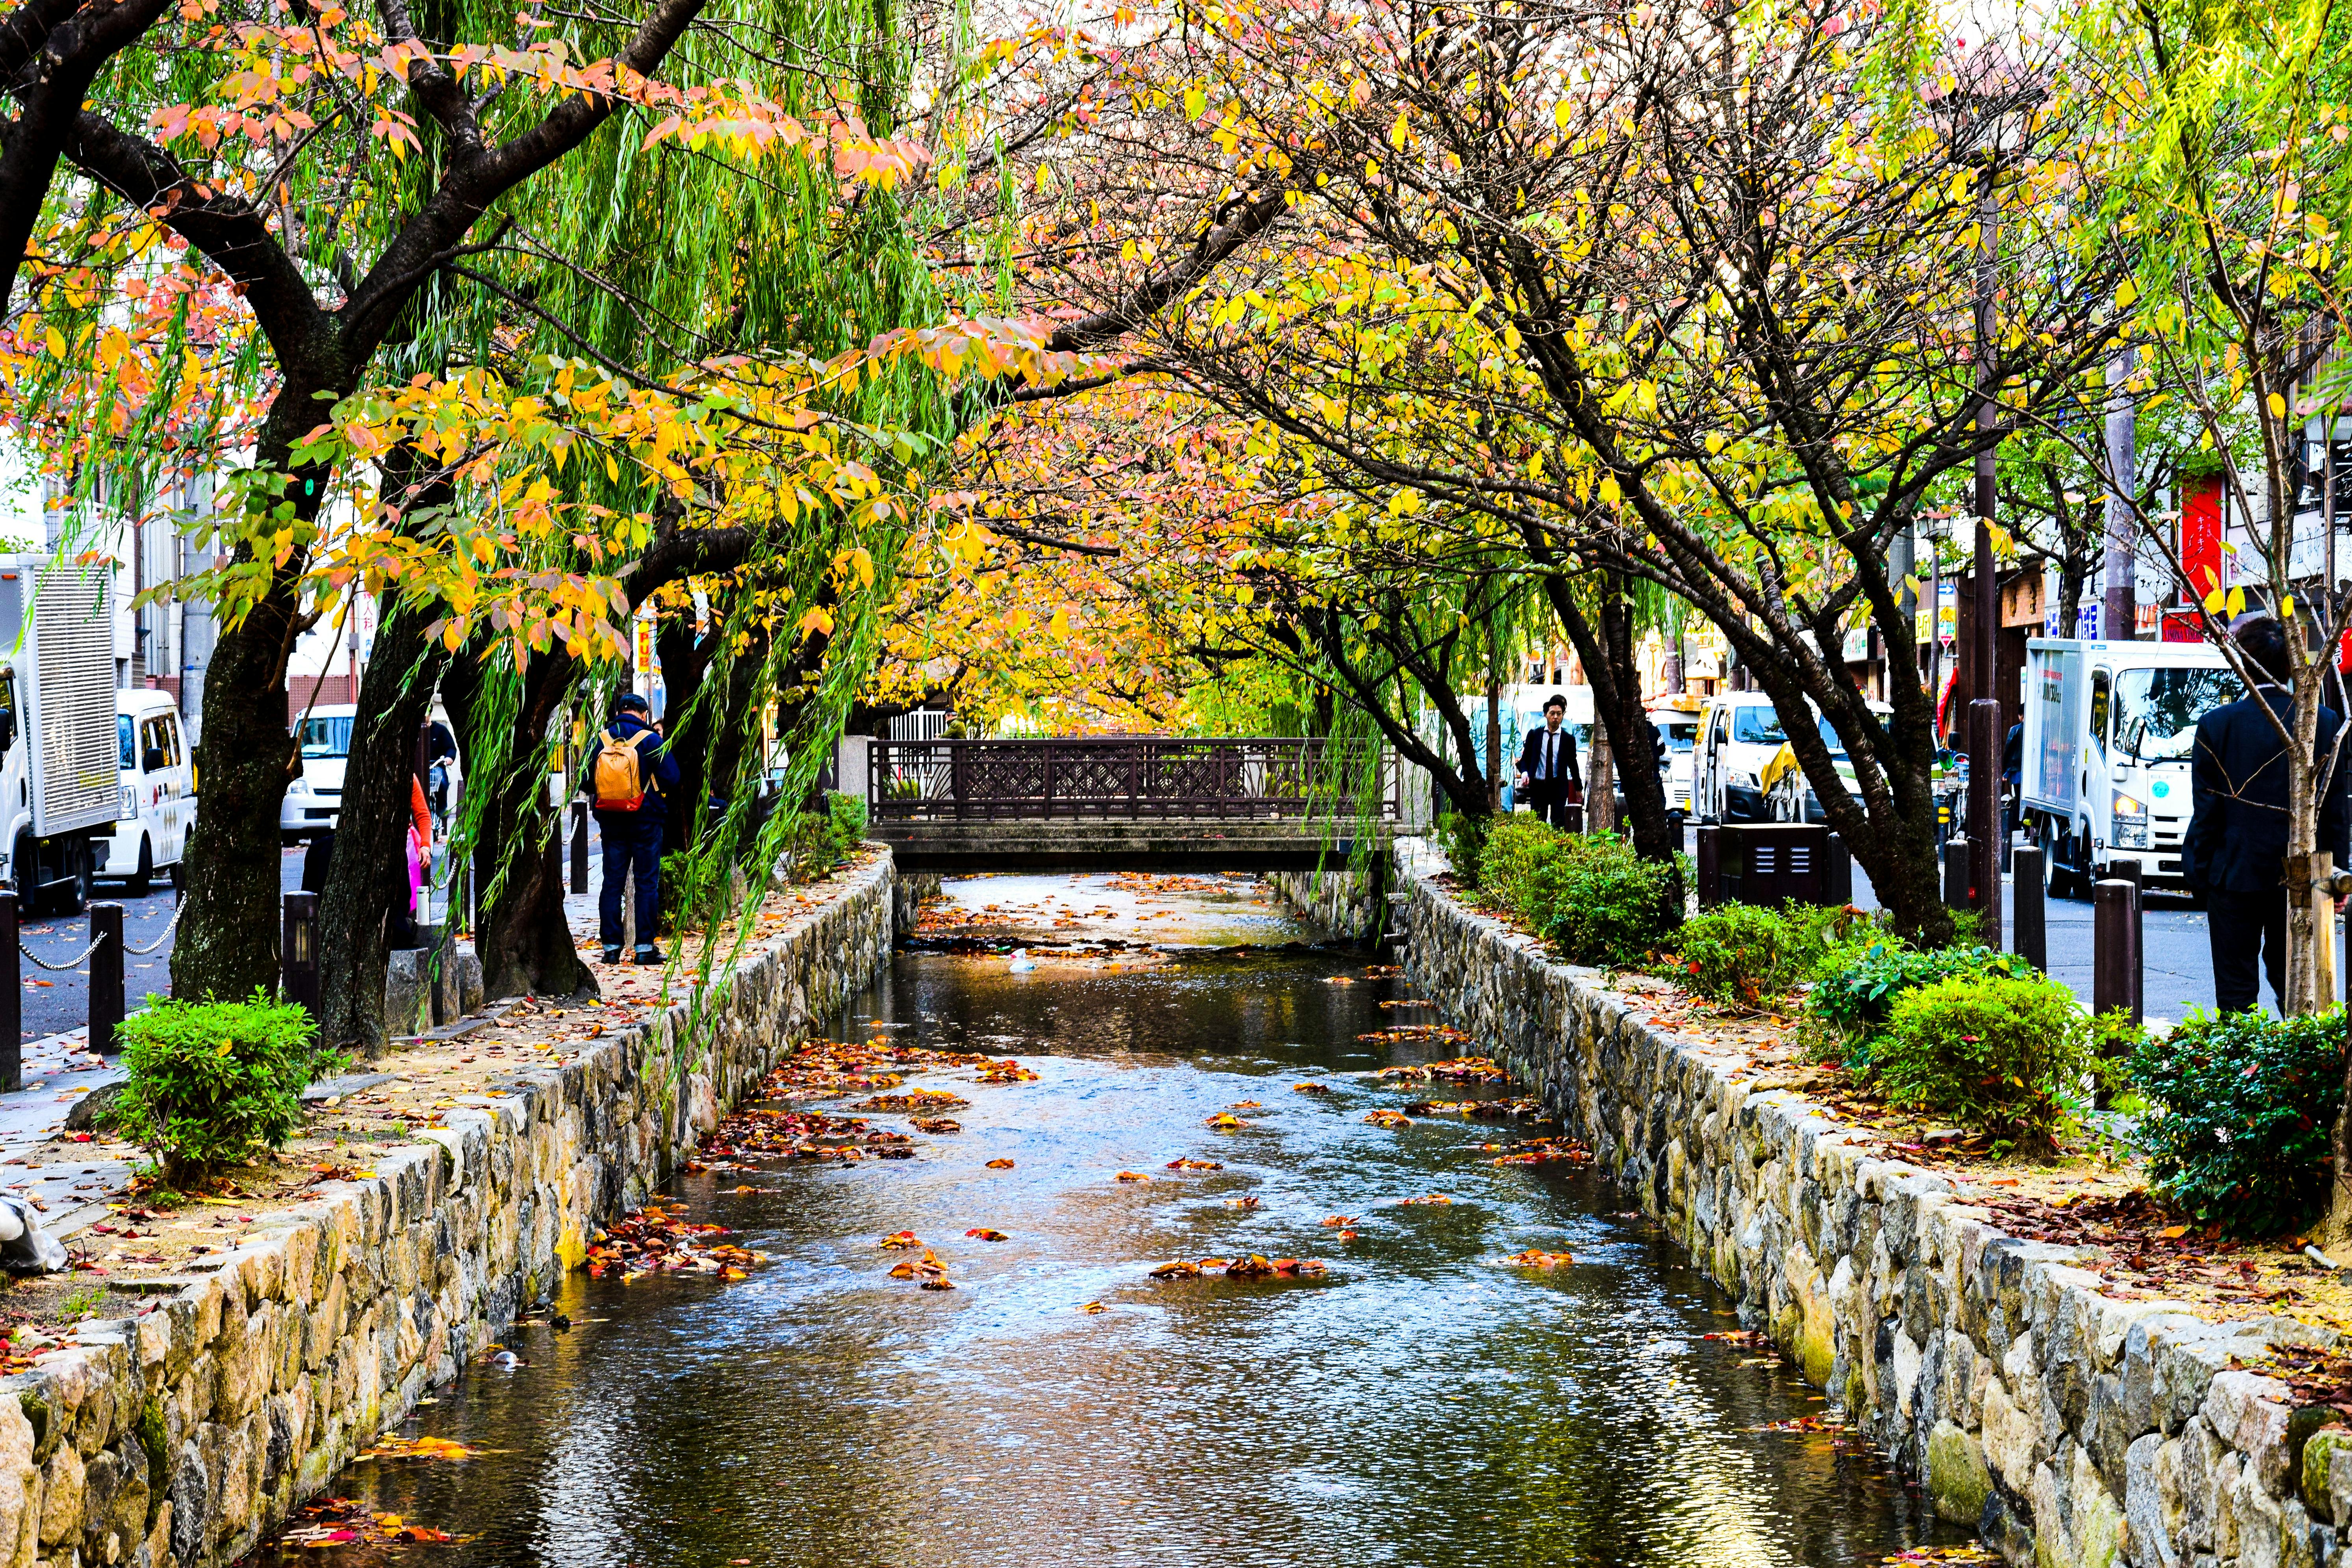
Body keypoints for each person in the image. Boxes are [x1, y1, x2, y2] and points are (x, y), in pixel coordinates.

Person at [2183, 614, 2351, 1012]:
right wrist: (2335, 873)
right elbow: (2333, 811)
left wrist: (2199, 871)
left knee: (2235, 991)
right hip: (2300, 875)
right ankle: (2295, 1066)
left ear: (2242, 663)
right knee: (2295, 986)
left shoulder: (2215, 726)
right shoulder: (2323, 724)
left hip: (2232, 873)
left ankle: (2242, 1068)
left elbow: (2206, 812)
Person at [590, 694, 681, 964]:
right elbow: (673, 777)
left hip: (611, 822)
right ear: (643, 714)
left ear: (619, 711)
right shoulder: (651, 739)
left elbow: (586, 780)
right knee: (645, 883)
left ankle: (611, 947)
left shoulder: (601, 740)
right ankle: (643, 948)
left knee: (612, 883)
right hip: (646, 820)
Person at [1514, 693, 1582, 828]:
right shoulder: (1535, 735)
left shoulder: (1568, 740)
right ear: (1545, 714)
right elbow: (1525, 759)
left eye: (1559, 714)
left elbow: (1573, 764)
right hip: (1538, 786)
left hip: (1558, 786)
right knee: (1538, 825)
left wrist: (1578, 788)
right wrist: (1525, 773)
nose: (1556, 717)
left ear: (1563, 715)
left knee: (1558, 824)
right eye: (1552, 713)